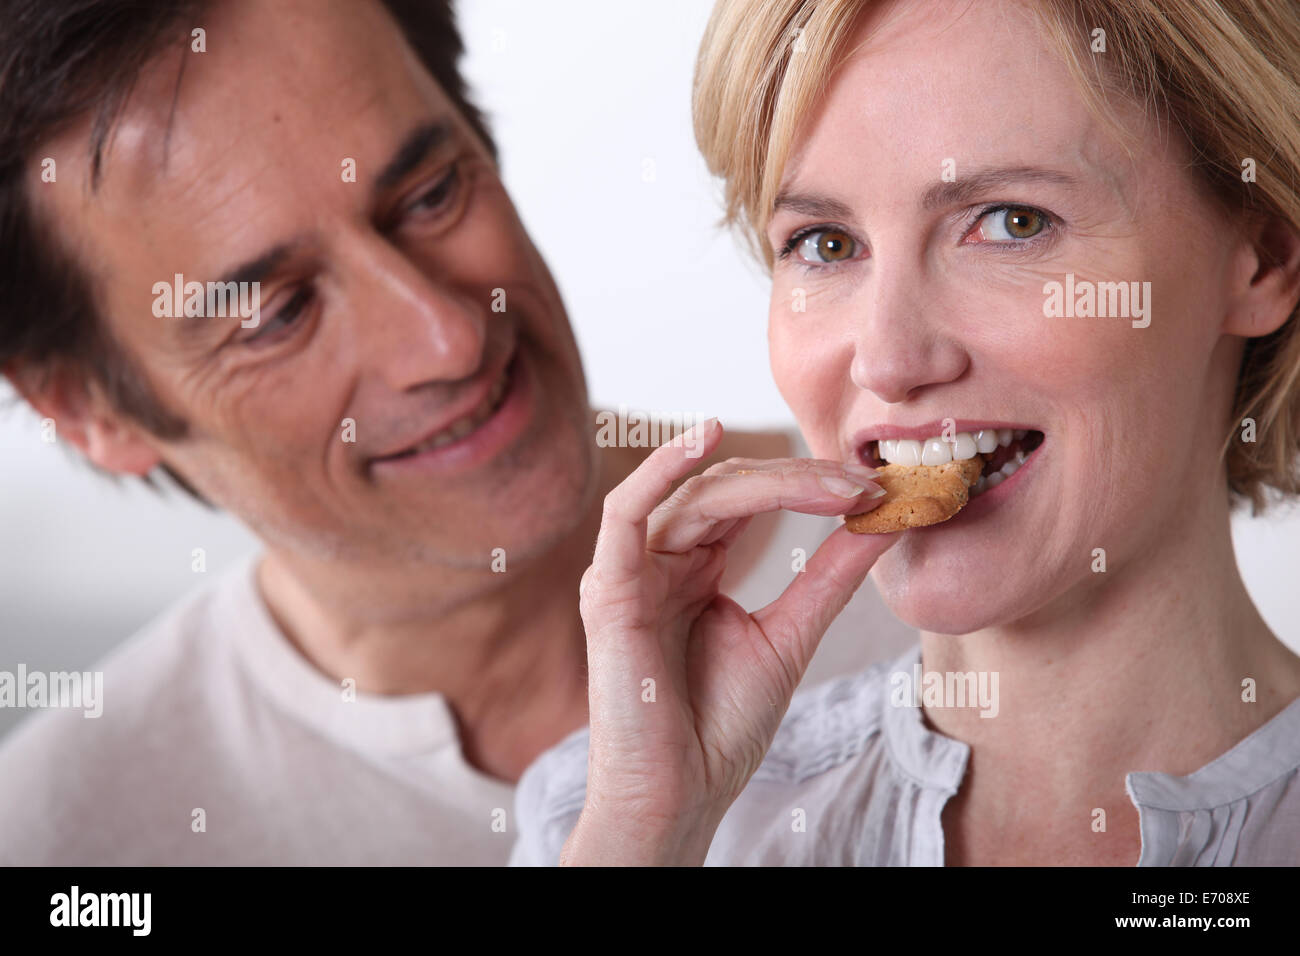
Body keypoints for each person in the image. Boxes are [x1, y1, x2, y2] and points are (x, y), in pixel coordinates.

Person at [0, 0, 913, 864]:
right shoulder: (66, 835)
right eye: (280, 314)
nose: (448, 336)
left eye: (431, 195)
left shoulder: (963, 568)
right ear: (89, 412)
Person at [511, 0, 1300, 866]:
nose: (886, 361)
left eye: (1012, 222)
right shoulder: (599, 818)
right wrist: (650, 831)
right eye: (824, 242)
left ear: (1263, 259)